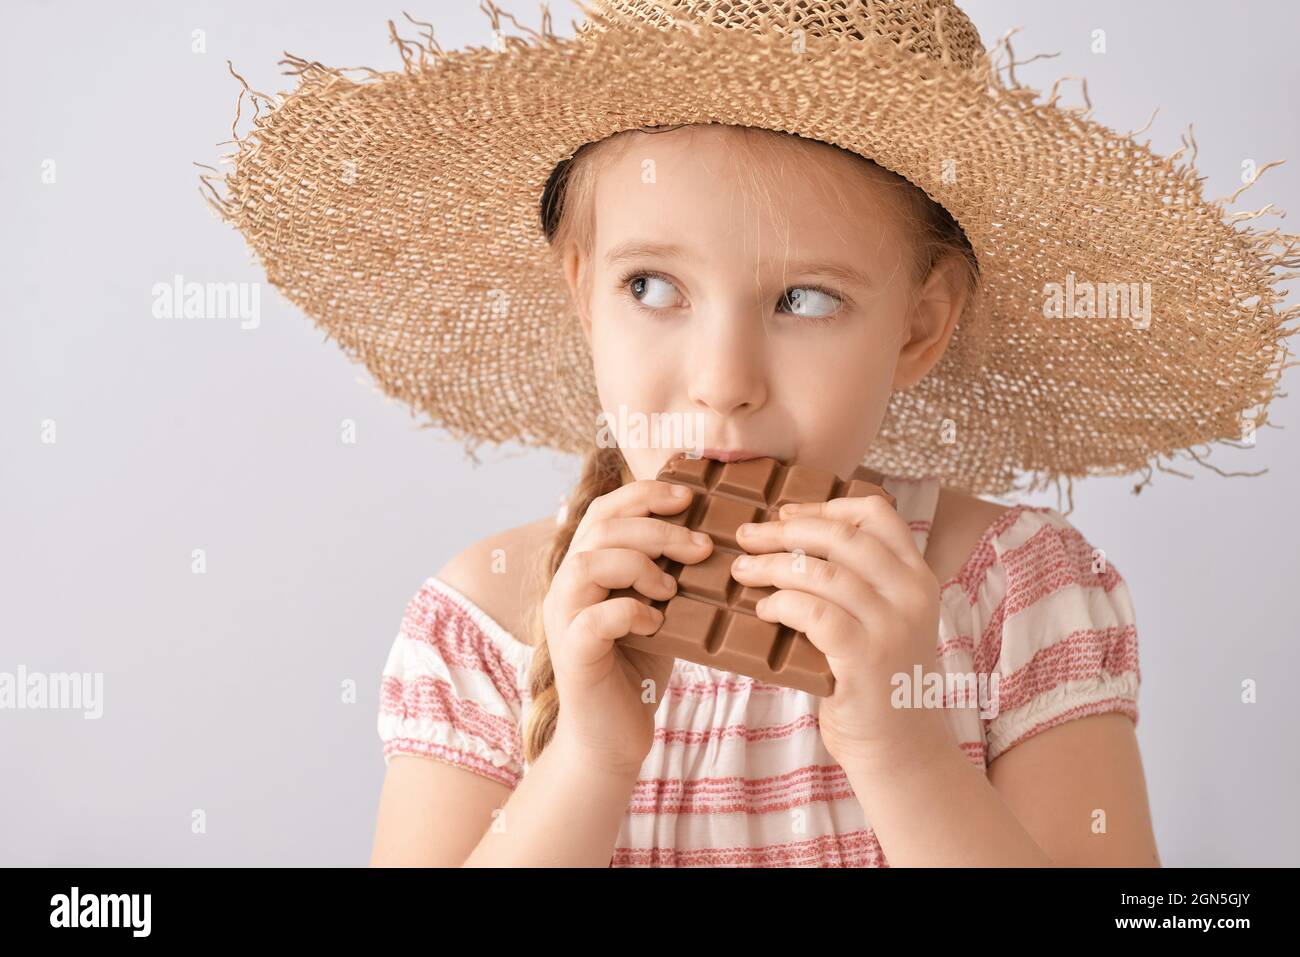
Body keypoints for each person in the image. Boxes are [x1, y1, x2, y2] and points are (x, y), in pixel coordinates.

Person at [202, 1, 1298, 866]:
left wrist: (900, 745)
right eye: (651, 285)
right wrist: (587, 761)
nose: (722, 385)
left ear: (917, 327)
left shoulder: (1014, 596)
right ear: (581, 289)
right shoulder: (483, 626)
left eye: (806, 301)